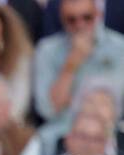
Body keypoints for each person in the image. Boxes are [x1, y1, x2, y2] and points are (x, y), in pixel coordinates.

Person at [32, 0, 124, 136]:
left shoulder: (119, 47)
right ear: (62, 19)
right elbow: (48, 110)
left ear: (98, 15)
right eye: (71, 20)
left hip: (110, 133)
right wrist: (71, 65)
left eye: (87, 17)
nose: (80, 25)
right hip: (62, 133)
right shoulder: (47, 50)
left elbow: (118, 102)